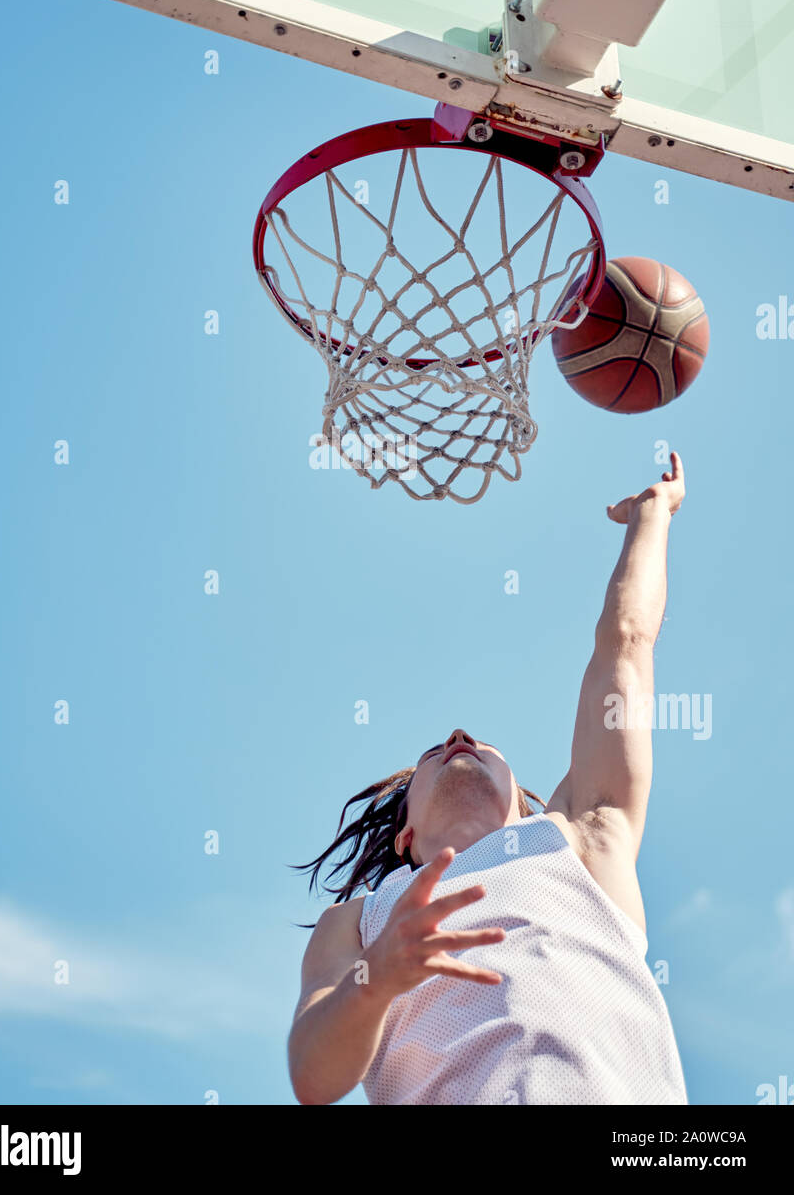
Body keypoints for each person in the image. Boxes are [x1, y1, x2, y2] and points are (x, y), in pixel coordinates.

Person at [288, 453, 689, 1106]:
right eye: (432, 752)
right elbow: (312, 1075)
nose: (458, 740)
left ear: (521, 804)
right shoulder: (360, 922)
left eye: (485, 746)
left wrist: (652, 517)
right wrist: (375, 978)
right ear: (405, 834)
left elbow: (626, 643)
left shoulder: (580, 841)